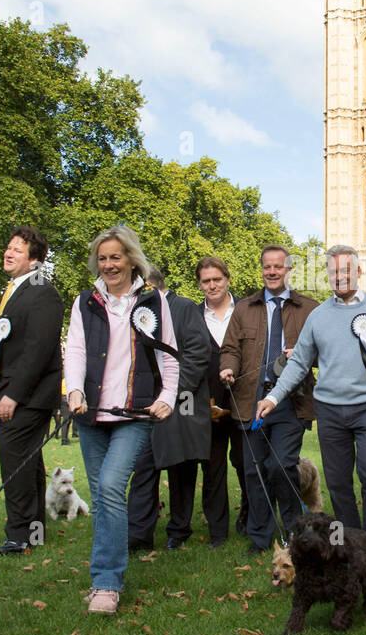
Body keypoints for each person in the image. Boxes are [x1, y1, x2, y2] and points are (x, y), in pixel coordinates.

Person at [257, 245, 366, 555]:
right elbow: (299, 363)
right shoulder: (318, 316)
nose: (338, 277)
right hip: (329, 410)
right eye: (332, 272)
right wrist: (273, 398)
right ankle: (346, 544)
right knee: (339, 483)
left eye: (344, 271)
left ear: (357, 272)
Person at [64, 225, 177, 614]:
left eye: (116, 257)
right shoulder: (85, 302)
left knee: (112, 486)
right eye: (103, 258)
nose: (109, 264)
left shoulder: (152, 301)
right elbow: (75, 350)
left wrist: (166, 397)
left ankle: (107, 583)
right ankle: (103, 581)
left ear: (131, 259)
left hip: (135, 412)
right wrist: (74, 390)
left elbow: (168, 353)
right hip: (91, 413)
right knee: (101, 497)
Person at [219, 245, 320, 555]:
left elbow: (325, 351)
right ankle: (260, 537)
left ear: (289, 270)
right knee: (254, 471)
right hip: (251, 400)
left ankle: (293, 533)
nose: (273, 272)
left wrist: (306, 355)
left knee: (280, 465)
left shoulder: (310, 308)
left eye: (279, 267)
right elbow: (230, 348)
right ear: (261, 270)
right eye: (267, 267)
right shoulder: (244, 308)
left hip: (292, 401)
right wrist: (228, 367)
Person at [0, 226, 65, 555]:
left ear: (34, 259)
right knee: (27, 464)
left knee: (15, 462)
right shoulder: (14, 290)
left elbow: (38, 349)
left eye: (18, 249)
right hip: (12, 391)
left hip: (27, 396)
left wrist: (13, 394)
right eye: (9, 246)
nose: (9, 252)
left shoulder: (42, 292)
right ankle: (33, 532)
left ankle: (19, 535)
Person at [128, 266, 213, 551]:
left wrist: (171, 394)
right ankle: (138, 534)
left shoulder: (184, 308)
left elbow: (198, 352)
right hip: (141, 405)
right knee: (142, 468)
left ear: (150, 284)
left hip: (180, 404)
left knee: (181, 470)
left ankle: (179, 529)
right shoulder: (135, 311)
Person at [197, 256, 246, 538]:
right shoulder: (191, 315)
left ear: (227, 279)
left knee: (244, 463)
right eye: (206, 281)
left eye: (217, 279)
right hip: (207, 403)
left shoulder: (248, 310)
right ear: (200, 284)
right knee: (212, 467)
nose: (212, 285)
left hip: (242, 400)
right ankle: (217, 530)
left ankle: (249, 519)